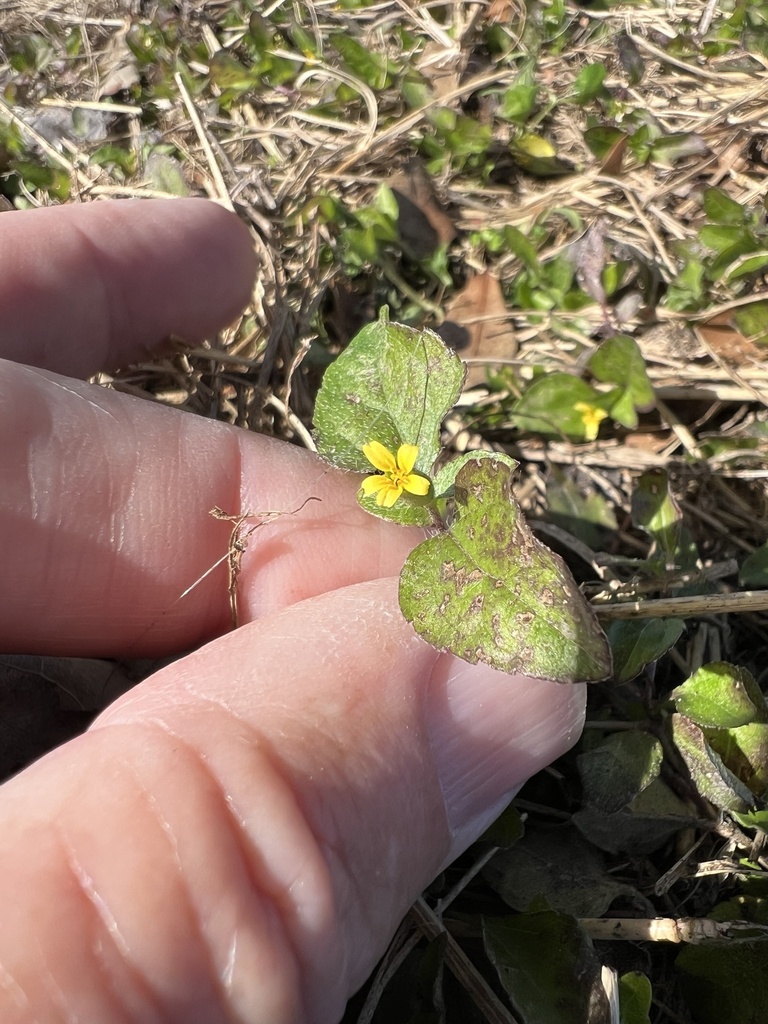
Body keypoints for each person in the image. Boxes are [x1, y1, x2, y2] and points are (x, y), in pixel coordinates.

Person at [0, 198, 586, 1023]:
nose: (387, 484)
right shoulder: (395, 488)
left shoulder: (411, 483)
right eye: (387, 479)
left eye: (396, 478)